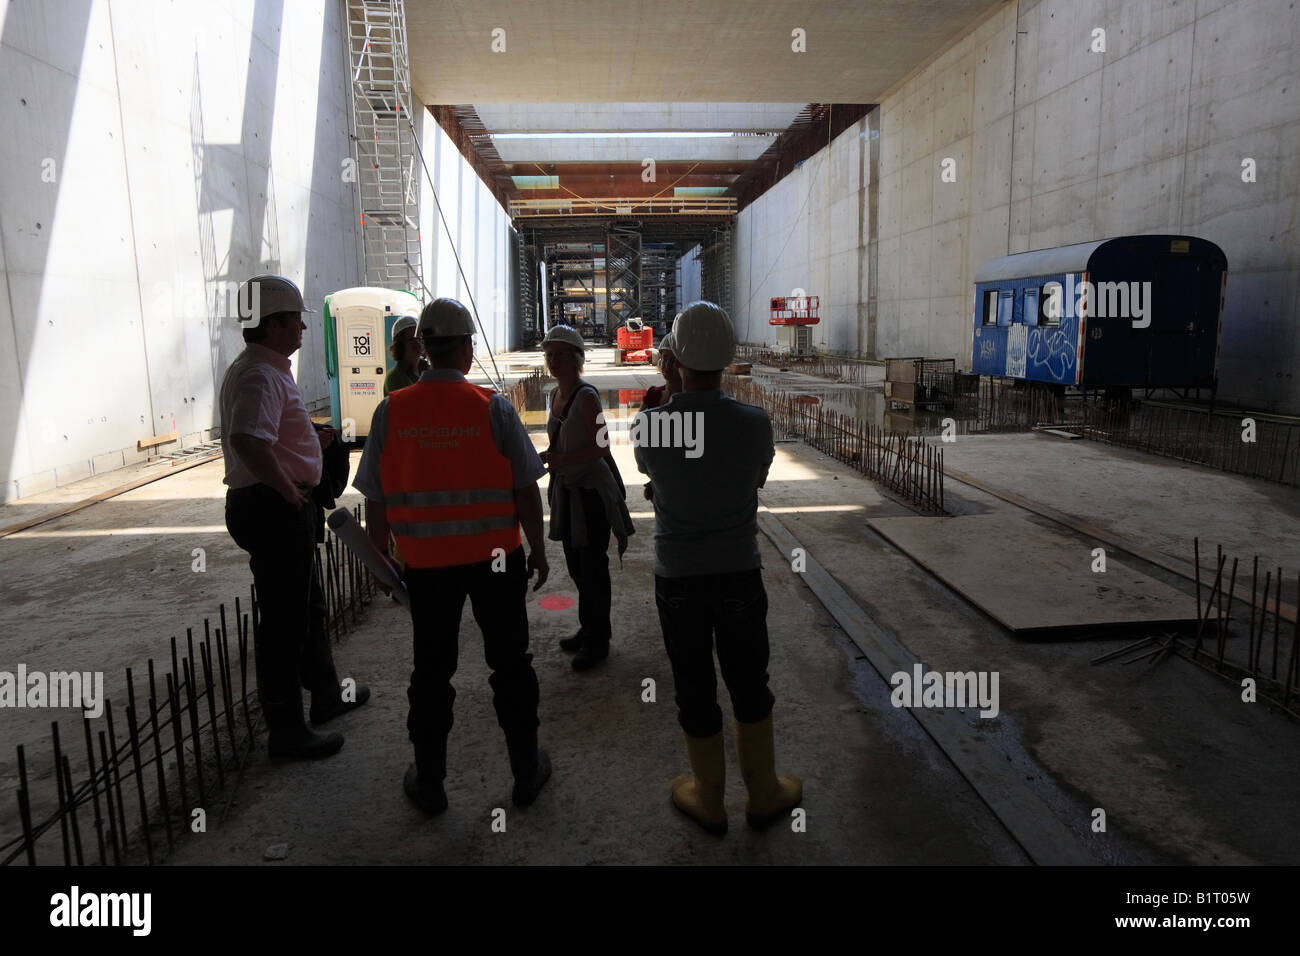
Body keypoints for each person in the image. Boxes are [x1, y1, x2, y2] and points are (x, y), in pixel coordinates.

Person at [354, 297, 552, 815]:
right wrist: (538, 548)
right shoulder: (492, 407)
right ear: (465, 349)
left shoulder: (391, 410)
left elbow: (374, 494)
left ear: (423, 348)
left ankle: (432, 782)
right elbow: (527, 489)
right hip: (495, 561)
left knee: (432, 672)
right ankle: (526, 773)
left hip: (427, 567)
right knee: (511, 665)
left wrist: (380, 553)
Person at [633, 300, 801, 835]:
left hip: (678, 577)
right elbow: (753, 483)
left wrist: (671, 390)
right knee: (750, 678)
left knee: (694, 684)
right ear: (728, 359)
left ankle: (709, 799)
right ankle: (764, 792)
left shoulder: (650, 427)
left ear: (673, 360)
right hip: (738, 573)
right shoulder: (754, 424)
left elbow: (655, 470)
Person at [220, 275, 370, 760]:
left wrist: (311, 437)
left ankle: (325, 695)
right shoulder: (259, 374)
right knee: (284, 623)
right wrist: (288, 489)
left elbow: (272, 433)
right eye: (295, 319)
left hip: (280, 504)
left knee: (307, 609)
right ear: (272, 323)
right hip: (272, 507)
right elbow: (247, 439)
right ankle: (286, 729)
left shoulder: (268, 368)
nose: (303, 327)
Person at [540, 325, 635, 671]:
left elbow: (601, 445)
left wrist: (563, 459)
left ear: (578, 359)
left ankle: (599, 640)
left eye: (562, 354)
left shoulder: (587, 397)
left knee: (594, 566)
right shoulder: (555, 396)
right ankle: (589, 627)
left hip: (591, 495)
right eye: (550, 354)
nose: (554, 360)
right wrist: (551, 455)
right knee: (577, 565)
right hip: (568, 490)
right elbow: (561, 440)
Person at [384, 314, 428, 395]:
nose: (417, 342)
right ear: (400, 344)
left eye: (419, 337)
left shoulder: (428, 368)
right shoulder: (394, 378)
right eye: (411, 339)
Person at [641, 331, 682, 410]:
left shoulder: (689, 399)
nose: (667, 365)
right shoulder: (653, 394)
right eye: (665, 358)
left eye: (673, 360)